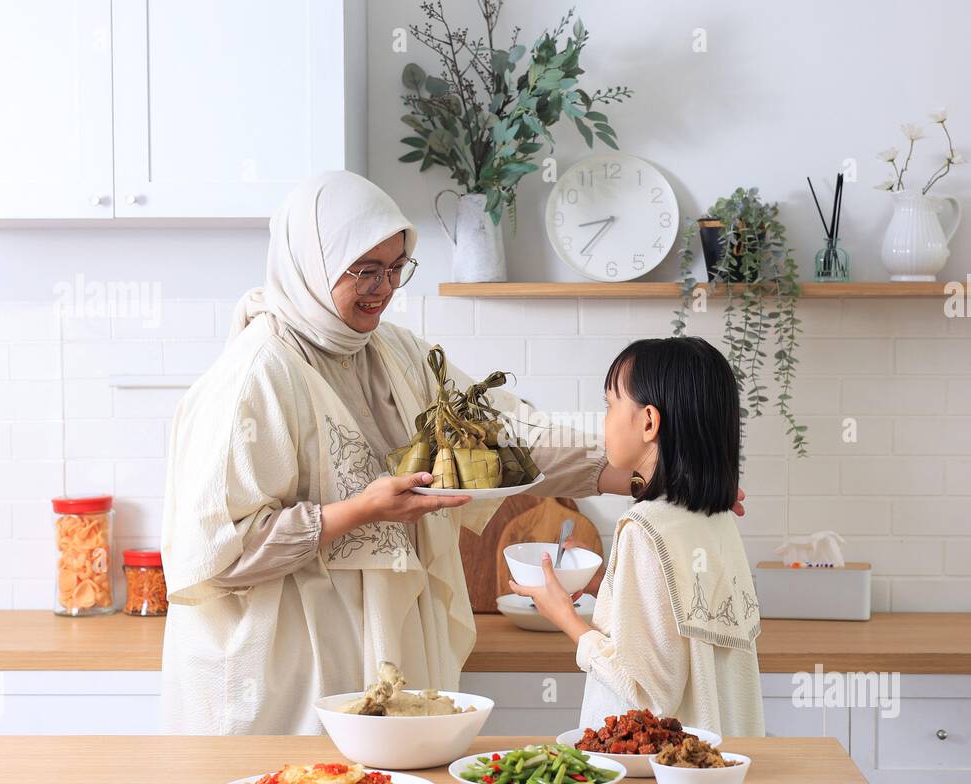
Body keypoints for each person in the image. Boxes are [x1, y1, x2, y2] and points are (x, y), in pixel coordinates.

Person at [159, 171, 637, 734]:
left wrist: (638, 474)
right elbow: (219, 552)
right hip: (288, 662)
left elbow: (511, 435)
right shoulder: (256, 374)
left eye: (394, 268)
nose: (383, 288)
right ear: (311, 263)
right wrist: (362, 510)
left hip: (386, 640)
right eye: (364, 269)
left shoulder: (396, 352)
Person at [509, 337, 765, 736]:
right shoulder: (716, 519)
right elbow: (682, 623)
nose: (604, 420)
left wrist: (566, 617)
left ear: (648, 422)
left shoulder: (644, 528)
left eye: (611, 405)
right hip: (720, 762)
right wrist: (606, 585)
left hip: (660, 769)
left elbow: (649, 695)